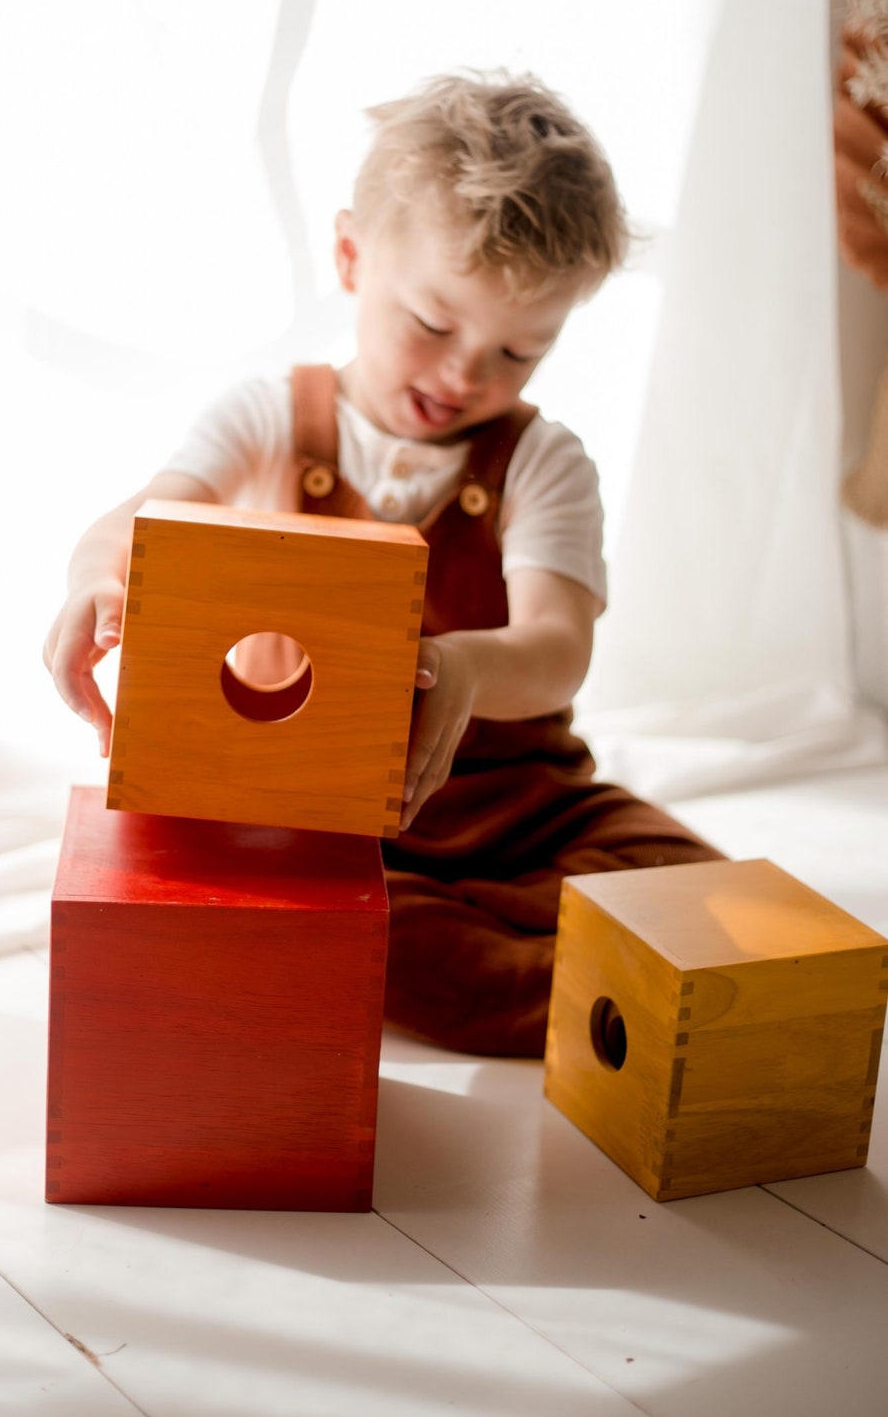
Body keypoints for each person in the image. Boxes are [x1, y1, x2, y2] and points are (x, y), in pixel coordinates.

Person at [43, 71, 721, 1057]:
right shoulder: (268, 418)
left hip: (521, 805)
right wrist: (94, 584)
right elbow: (137, 527)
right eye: (436, 326)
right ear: (352, 256)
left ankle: (633, 965)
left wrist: (469, 669)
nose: (464, 376)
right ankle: (606, 994)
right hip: (329, 823)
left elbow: (556, 644)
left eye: (517, 354)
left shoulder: (543, 461)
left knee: (704, 897)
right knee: (381, 941)